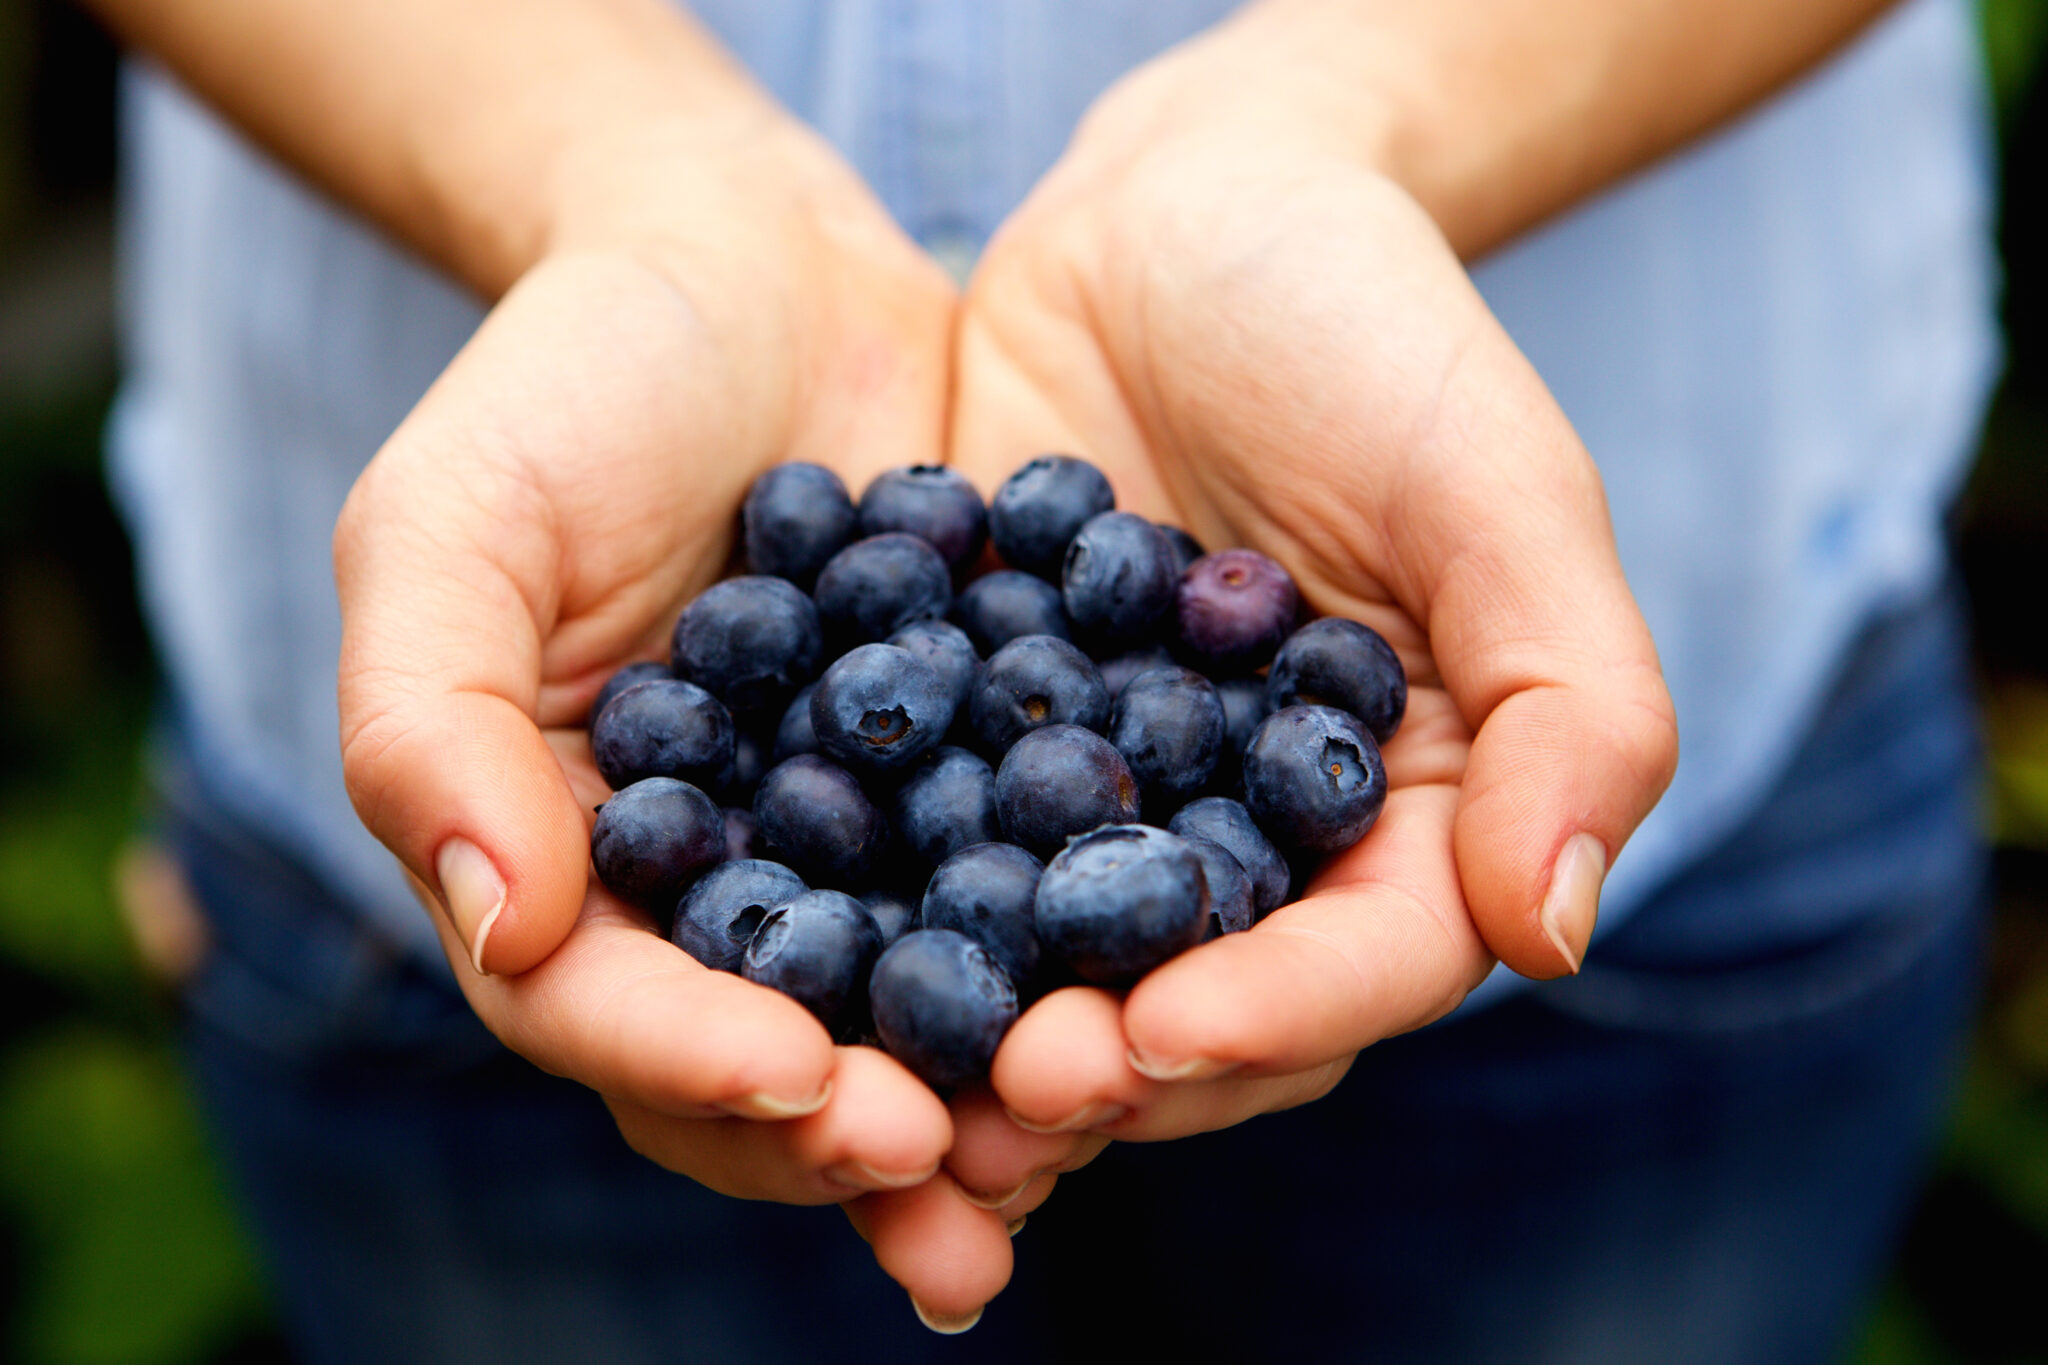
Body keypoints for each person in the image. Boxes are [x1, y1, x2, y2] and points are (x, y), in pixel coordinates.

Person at [92, 0, 1997, 1359]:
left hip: (1696, 721)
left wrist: (1357, 107)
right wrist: (623, 170)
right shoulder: (845, 714)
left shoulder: (1120, 699)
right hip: (459, 834)